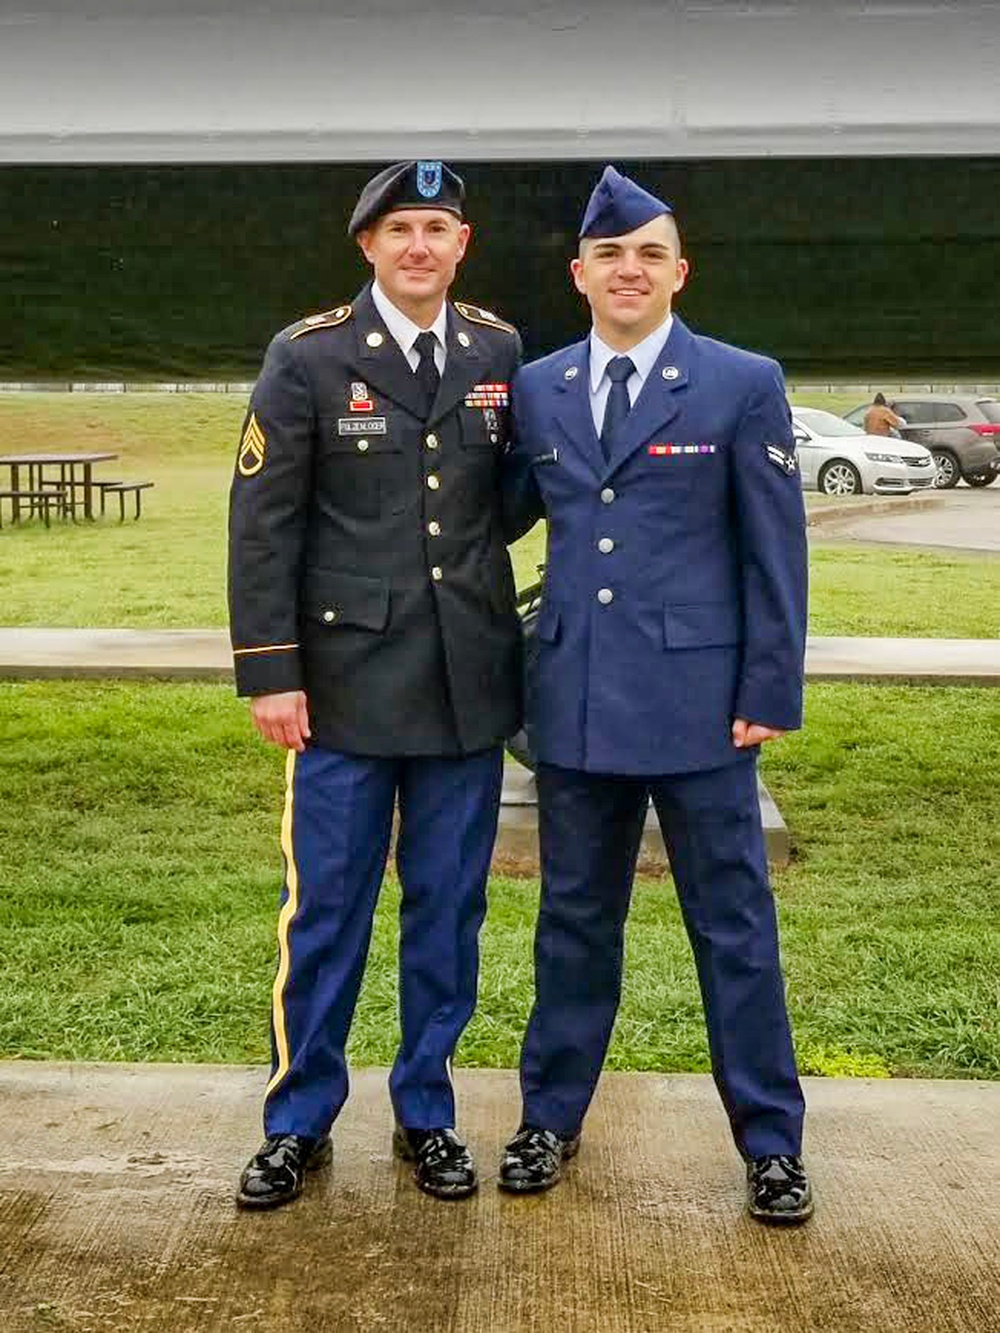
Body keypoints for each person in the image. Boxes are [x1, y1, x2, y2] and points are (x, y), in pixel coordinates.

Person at [500, 166, 813, 1225]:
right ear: (578, 272)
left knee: (731, 927)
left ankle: (770, 1142)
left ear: (679, 272)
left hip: (702, 704)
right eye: (608, 255)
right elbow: (498, 516)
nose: (627, 271)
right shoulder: (537, 386)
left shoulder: (739, 381)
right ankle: (549, 1116)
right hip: (576, 701)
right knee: (573, 922)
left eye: (648, 255)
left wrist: (769, 684)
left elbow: (774, 550)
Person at [228, 160, 523, 1209]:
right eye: (398, 227)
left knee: (448, 912)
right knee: (327, 914)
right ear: (366, 245)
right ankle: (298, 1119)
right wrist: (270, 673)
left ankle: (426, 1114)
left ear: (460, 244)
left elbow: (507, 498)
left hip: (463, 687)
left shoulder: (496, 348)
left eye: (435, 228)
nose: (417, 246)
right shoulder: (307, 357)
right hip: (343, 690)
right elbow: (263, 525)